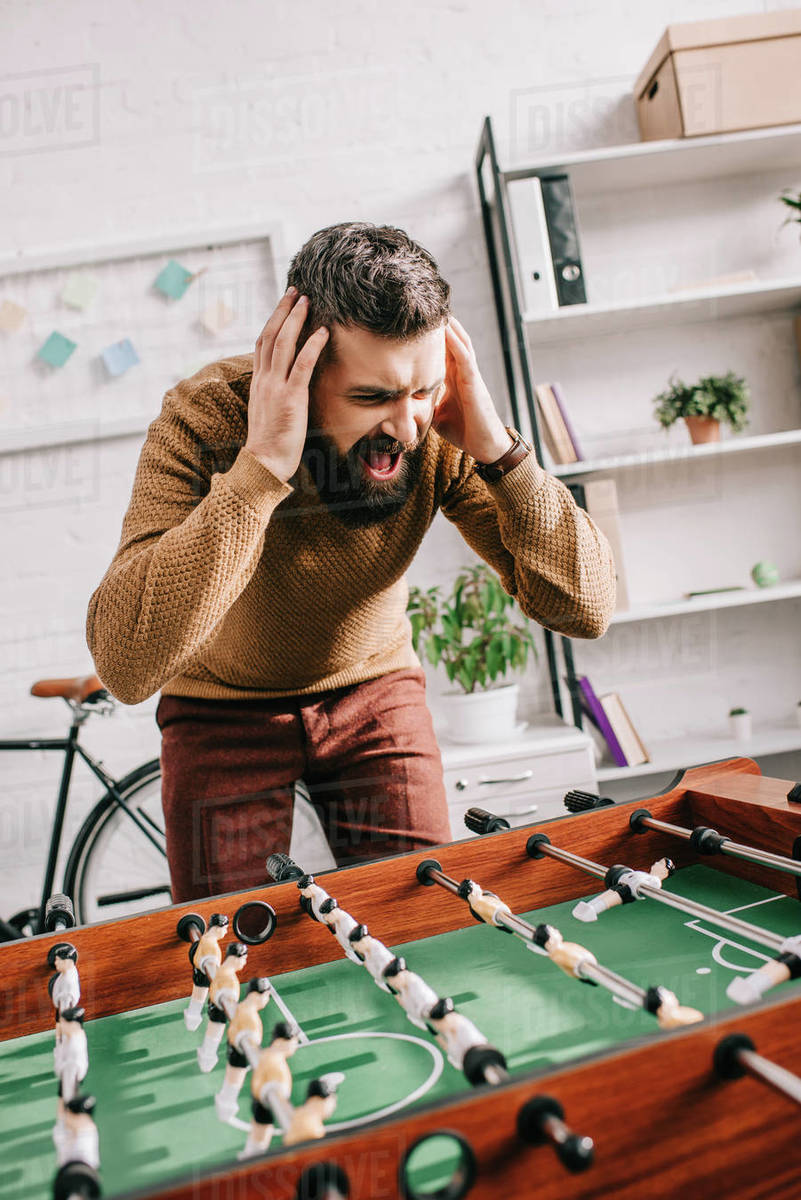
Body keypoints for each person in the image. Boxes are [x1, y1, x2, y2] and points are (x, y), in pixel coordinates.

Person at [85, 222, 616, 902]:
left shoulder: (439, 429)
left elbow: (586, 608)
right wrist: (261, 468)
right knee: (234, 954)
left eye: (419, 391)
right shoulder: (206, 418)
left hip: (374, 692)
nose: (403, 426)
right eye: (371, 398)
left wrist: (500, 452)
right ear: (302, 375)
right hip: (221, 711)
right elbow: (127, 664)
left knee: (422, 920)